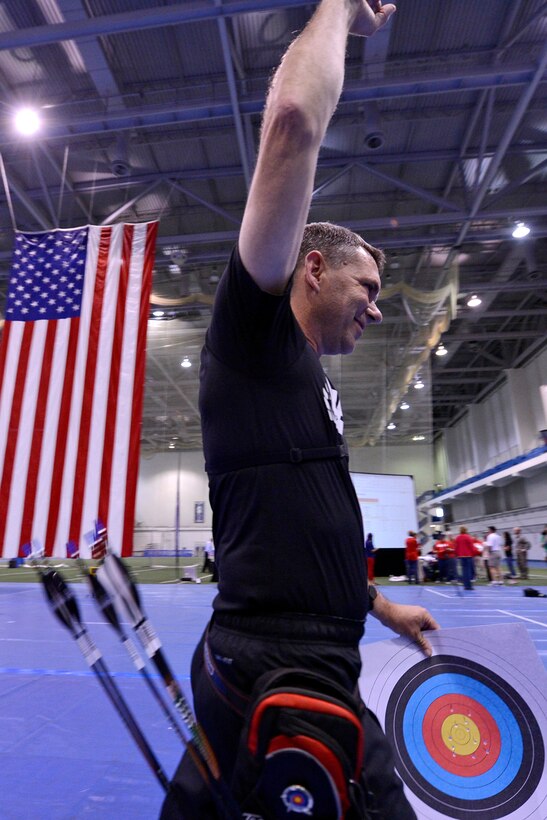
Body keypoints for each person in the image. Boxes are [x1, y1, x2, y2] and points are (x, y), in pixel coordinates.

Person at [161, 3, 440, 817]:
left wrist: (381, 604)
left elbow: (304, 532)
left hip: (309, 659)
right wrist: (340, 11)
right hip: (272, 667)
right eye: (368, 289)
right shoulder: (254, 337)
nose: (378, 310)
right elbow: (290, 121)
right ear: (311, 269)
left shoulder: (308, 380)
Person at [454, 526, 475, 591]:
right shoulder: (468, 537)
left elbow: (456, 547)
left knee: (464, 571)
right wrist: (474, 553)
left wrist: (457, 554)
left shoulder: (457, 538)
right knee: (468, 571)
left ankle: (465, 585)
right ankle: (468, 586)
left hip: (461, 556)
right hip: (468, 556)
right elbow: (471, 547)